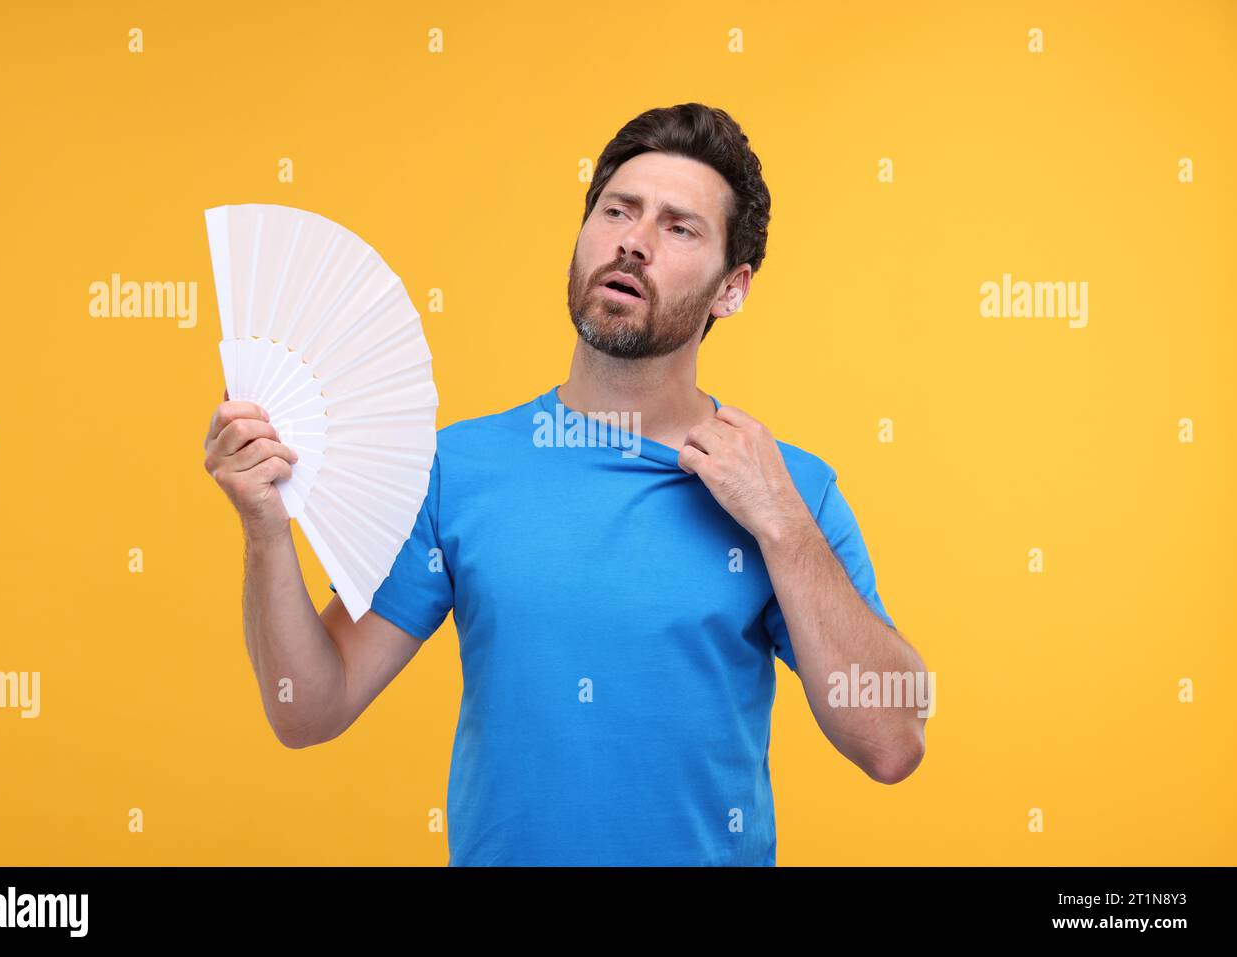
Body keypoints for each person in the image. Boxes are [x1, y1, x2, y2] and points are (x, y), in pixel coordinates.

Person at [202, 103, 929, 866]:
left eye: (680, 228)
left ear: (732, 287)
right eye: (618, 209)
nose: (635, 242)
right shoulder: (457, 469)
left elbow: (892, 743)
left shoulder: (791, 491)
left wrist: (781, 525)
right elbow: (310, 708)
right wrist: (264, 525)